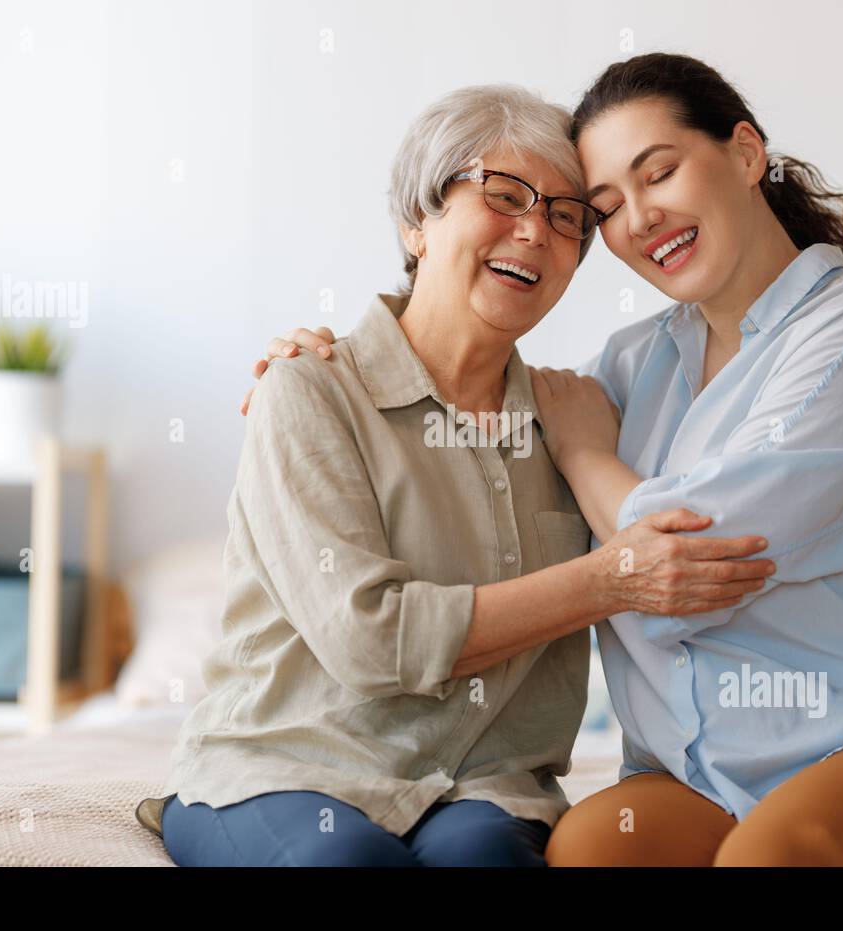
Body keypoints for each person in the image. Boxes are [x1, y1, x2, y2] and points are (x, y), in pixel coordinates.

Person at [251, 53, 843, 867]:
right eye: (608, 207)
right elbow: (461, 412)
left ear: (747, 154)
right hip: (694, 777)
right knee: (583, 852)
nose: (641, 218)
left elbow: (685, 567)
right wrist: (330, 361)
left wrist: (584, 453)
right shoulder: (628, 366)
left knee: (773, 856)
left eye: (660, 174)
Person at [135, 82, 773, 867]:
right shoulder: (310, 389)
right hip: (285, 771)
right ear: (417, 223)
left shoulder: (578, 419)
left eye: (567, 217)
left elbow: (704, 541)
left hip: (484, 787)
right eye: (504, 196)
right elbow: (369, 640)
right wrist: (612, 579)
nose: (535, 230)